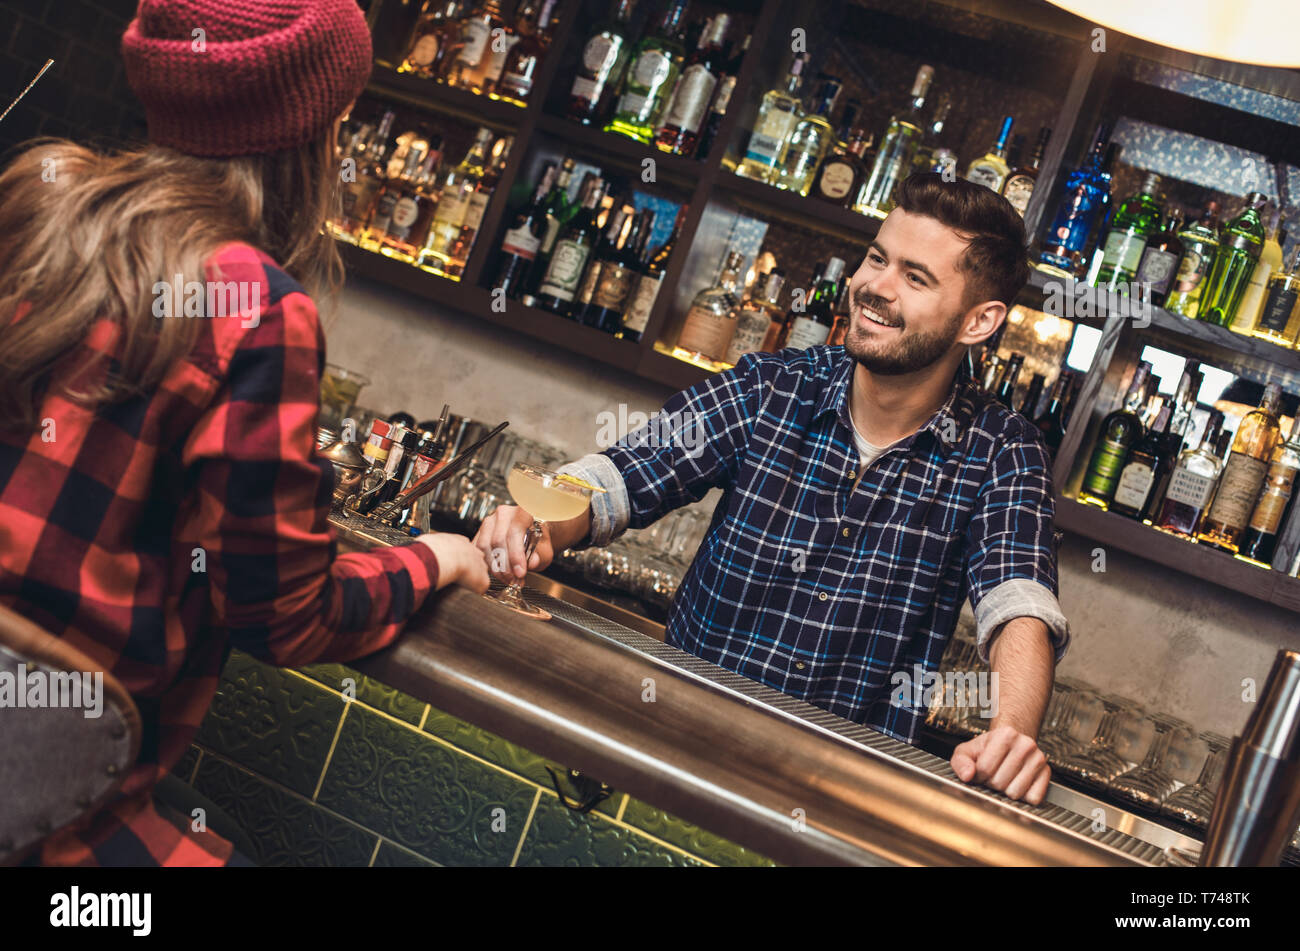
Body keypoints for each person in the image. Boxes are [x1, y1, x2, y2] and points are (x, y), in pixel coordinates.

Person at [0, 0, 489, 866]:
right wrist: (438, 559)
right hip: (41, 811)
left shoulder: (39, 204)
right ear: (322, 128)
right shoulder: (256, 305)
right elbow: (284, 617)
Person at [476, 173, 1069, 806]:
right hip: (666, 758)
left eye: (915, 277)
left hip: (831, 807)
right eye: (876, 258)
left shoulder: (999, 450)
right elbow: (622, 474)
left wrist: (1011, 732)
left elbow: (1019, 606)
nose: (875, 288)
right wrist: (538, 520)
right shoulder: (775, 387)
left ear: (979, 321)